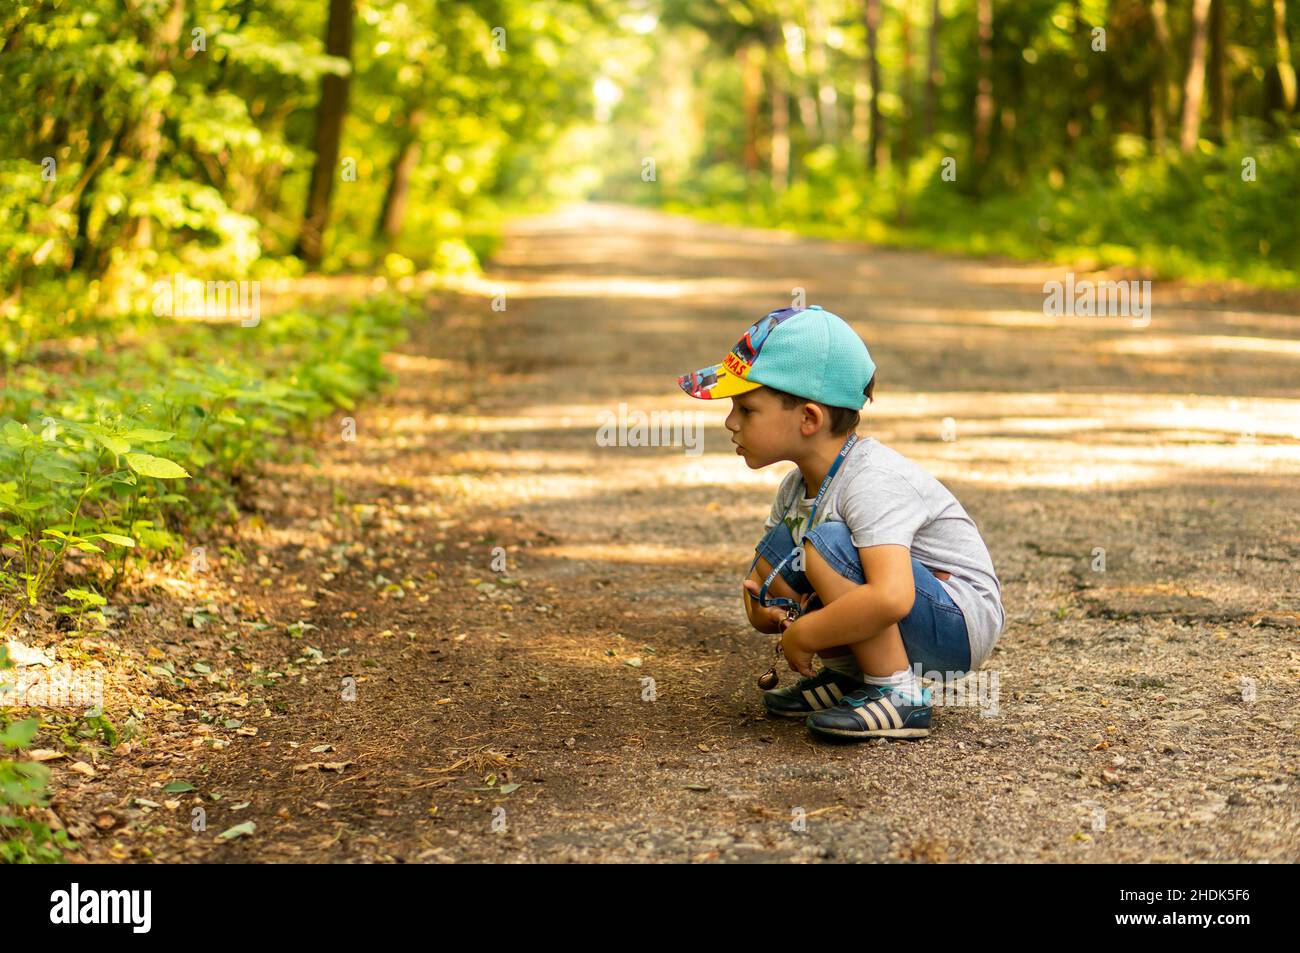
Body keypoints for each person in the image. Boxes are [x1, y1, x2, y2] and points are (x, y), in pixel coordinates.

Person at [676, 305, 1005, 739]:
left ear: (808, 418)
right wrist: (768, 613)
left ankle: (898, 694)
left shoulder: (872, 480)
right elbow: (764, 581)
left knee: (826, 544)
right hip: (913, 608)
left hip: (955, 623)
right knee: (784, 550)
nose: (729, 422)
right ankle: (854, 680)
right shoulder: (797, 487)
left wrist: (807, 633)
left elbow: (890, 599)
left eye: (747, 409)